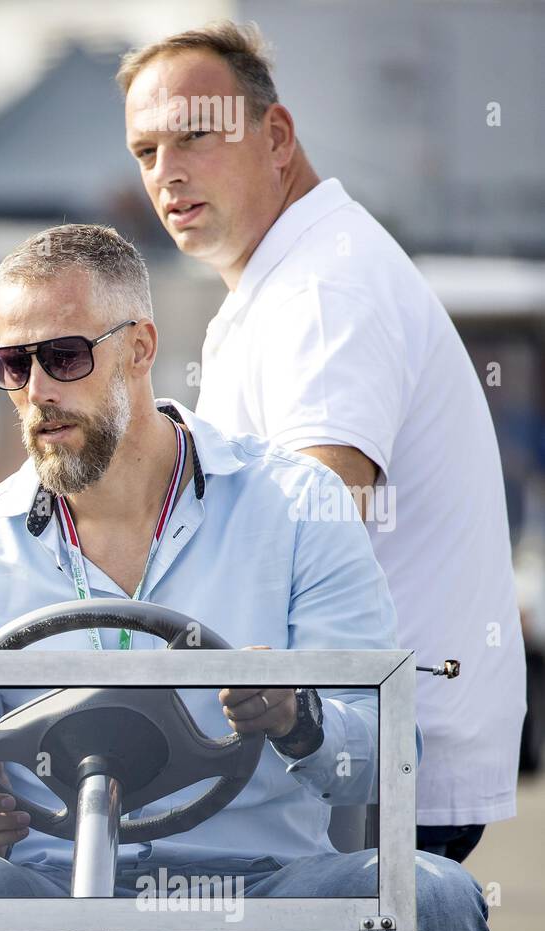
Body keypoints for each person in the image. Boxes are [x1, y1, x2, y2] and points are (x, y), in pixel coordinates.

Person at [0, 225, 490, 931]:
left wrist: (301, 720)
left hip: (262, 880)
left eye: (62, 357)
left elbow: (388, 762)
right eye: (11, 366)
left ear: (141, 347)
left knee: (439, 897)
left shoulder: (297, 505)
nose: (38, 393)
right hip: (54, 884)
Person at [118, 20, 525, 865]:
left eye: (195, 134)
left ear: (276, 138)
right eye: (146, 150)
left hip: (368, 762)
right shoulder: (290, 276)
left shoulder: (324, 286)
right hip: (343, 746)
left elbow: (320, 517)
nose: (168, 172)